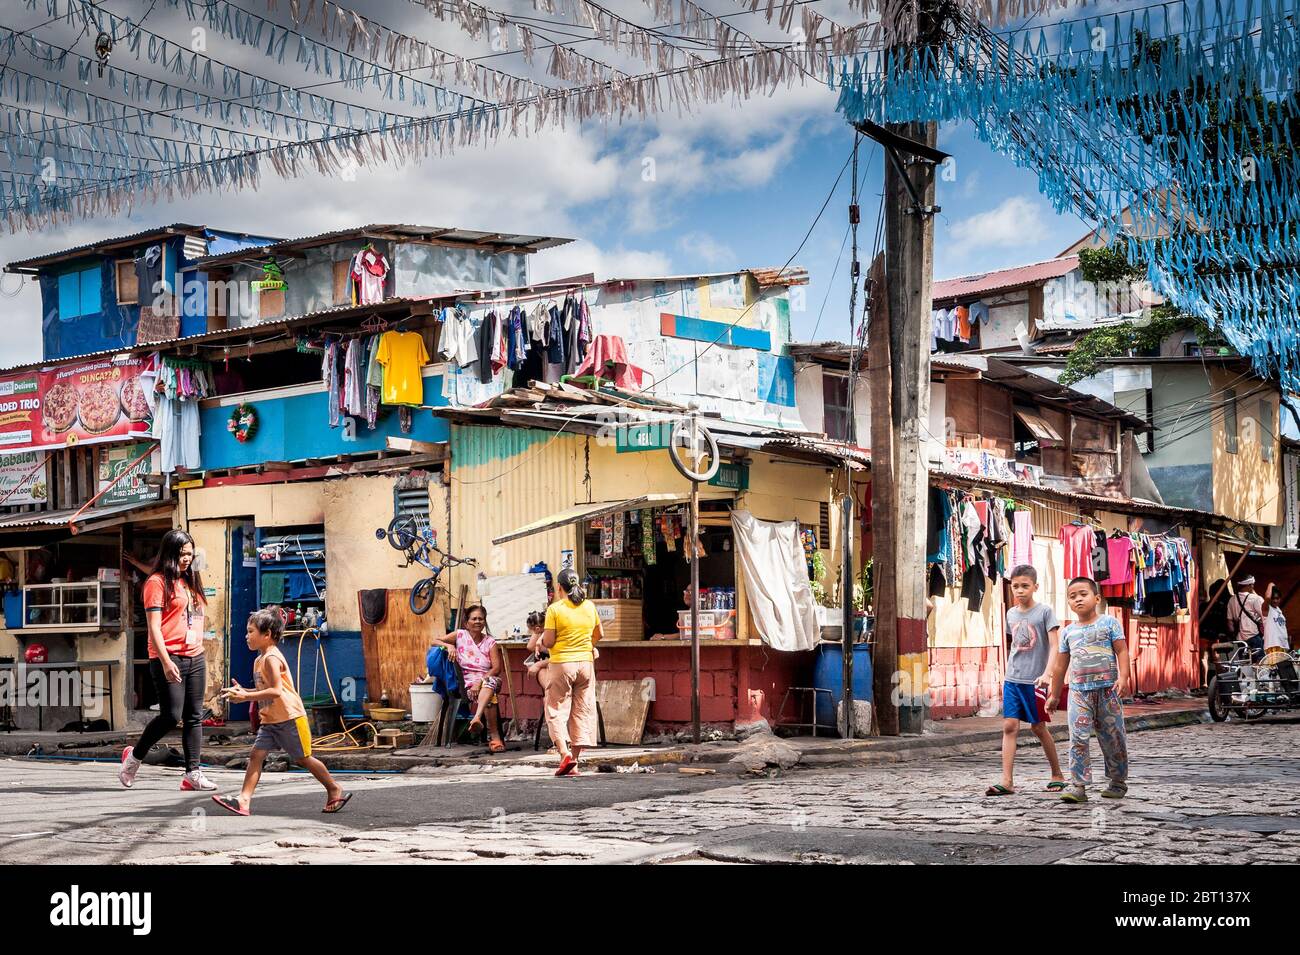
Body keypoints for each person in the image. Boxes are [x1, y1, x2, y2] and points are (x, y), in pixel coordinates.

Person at [212, 608, 351, 815]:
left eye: (250, 631)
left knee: (303, 758)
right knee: (256, 756)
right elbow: (264, 691)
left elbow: (276, 691)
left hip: (290, 717)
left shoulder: (271, 658)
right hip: (270, 720)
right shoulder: (259, 659)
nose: (246, 636)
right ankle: (243, 800)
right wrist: (244, 691)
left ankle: (334, 788)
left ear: (267, 635)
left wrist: (246, 697)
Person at [119, 529, 217, 792]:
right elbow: (154, 627)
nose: (187, 559)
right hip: (168, 656)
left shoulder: (189, 581)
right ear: (170, 553)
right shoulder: (157, 583)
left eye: (190, 554)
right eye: (182, 554)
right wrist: (164, 660)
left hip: (194, 655)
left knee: (194, 717)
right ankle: (134, 758)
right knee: (171, 716)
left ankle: (192, 774)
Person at [1047, 577, 1130, 805]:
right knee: (1078, 739)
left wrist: (1124, 676)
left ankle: (1117, 781)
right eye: (1072, 596)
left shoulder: (1110, 623)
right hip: (1079, 693)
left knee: (1113, 737)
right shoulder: (1067, 632)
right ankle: (1078, 786)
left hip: (1108, 692)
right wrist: (1054, 695)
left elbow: (1122, 651)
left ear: (1097, 598)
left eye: (1083, 594)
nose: (1078, 599)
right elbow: (1060, 665)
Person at [985, 565, 1066, 796]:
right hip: (1013, 678)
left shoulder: (1045, 612)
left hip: (1036, 681)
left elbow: (1054, 646)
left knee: (1038, 727)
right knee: (1009, 726)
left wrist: (1047, 674)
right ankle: (1007, 781)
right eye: (1015, 586)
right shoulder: (1010, 614)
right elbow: (1016, 646)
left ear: (1035, 587)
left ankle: (1057, 774)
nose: (1019, 590)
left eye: (1025, 586)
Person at [541, 568, 602, 777]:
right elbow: (599, 634)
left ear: (559, 588)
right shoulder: (589, 606)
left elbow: (548, 642)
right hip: (585, 664)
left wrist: (543, 641)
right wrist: (587, 645)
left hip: (562, 664)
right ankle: (574, 763)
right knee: (581, 710)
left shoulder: (555, 609)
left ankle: (565, 753)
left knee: (555, 709)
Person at [432, 605, 506, 753]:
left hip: (487, 677)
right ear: (467, 623)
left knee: (489, 684)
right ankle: (494, 737)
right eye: (474, 618)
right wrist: (449, 646)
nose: (478, 621)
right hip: (465, 682)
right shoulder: (459, 635)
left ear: (484, 622)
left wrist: (480, 682)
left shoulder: (490, 642)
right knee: (490, 695)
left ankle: (477, 718)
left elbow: (496, 669)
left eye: (481, 618)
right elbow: (434, 641)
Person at [1226, 575, 1267, 659]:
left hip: (1240, 639)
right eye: (1252, 584)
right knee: (1259, 663)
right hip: (1254, 636)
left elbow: (1230, 623)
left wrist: (1234, 634)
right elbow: (1266, 616)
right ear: (1249, 585)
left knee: (1244, 663)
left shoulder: (1232, 600)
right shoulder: (1256, 599)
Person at [523, 610, 551, 692]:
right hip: (547, 664)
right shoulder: (541, 633)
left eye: (532, 630)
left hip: (554, 663)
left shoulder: (549, 635)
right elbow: (530, 646)